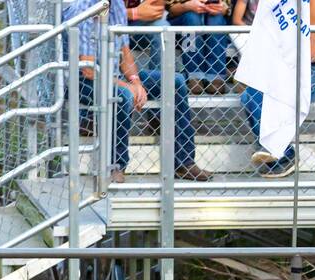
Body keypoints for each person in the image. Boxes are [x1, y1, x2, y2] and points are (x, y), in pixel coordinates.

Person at [64, 0, 213, 184]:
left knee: (175, 81)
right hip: (83, 81)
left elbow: (125, 53)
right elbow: (88, 69)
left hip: (114, 75)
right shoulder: (82, 9)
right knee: (123, 95)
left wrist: (135, 81)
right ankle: (115, 165)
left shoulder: (116, 5)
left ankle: (184, 162)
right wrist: (127, 86)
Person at [240, 0, 315, 178]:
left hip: (314, 71)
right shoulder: (277, 4)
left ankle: (279, 153)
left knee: (265, 95)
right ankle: (281, 152)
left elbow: (312, 54)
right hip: (279, 71)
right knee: (248, 96)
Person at [168, 0, 231, 95]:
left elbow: (227, 9)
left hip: (213, 22)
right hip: (183, 23)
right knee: (192, 17)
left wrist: (222, 8)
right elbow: (171, 10)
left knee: (216, 18)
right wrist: (186, 6)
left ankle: (216, 77)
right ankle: (193, 76)